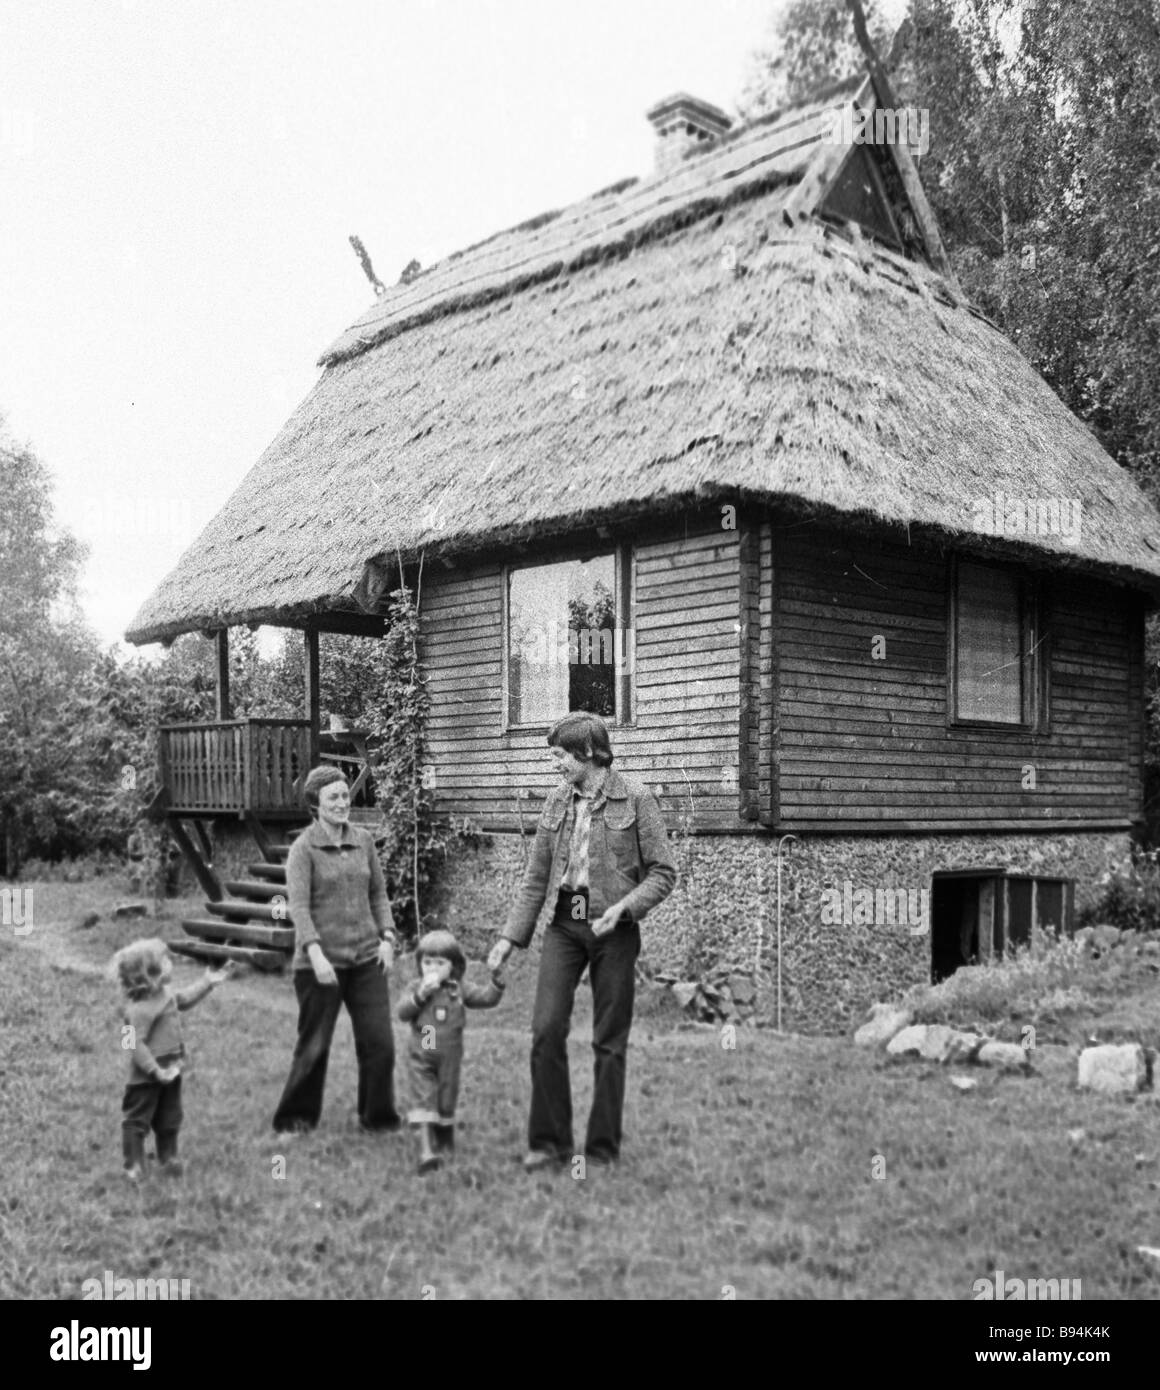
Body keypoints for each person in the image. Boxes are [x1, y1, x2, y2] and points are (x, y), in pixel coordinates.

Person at [487, 712, 676, 1170]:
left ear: (587, 754)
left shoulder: (636, 798)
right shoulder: (556, 801)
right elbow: (536, 879)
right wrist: (510, 939)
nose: (555, 765)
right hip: (565, 926)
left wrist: (625, 907)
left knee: (609, 1040)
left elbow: (663, 873)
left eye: (559, 756)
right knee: (546, 1029)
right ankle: (549, 1143)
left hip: (615, 931)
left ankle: (602, 1148)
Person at [272, 766, 401, 1134]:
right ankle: (294, 1120)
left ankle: (378, 1118)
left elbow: (378, 893)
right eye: (334, 797)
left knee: (380, 1043)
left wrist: (388, 939)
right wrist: (314, 953)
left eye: (346, 795)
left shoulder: (364, 840)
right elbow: (297, 906)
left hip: (366, 959)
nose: (343, 803)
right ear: (315, 803)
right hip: (319, 964)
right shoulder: (303, 849)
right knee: (314, 1046)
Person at [109, 937, 232, 1181]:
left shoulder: (165, 994)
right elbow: (133, 1044)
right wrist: (155, 1071)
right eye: (165, 960)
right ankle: (133, 1165)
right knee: (137, 1120)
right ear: (149, 974)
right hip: (145, 1078)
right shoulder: (138, 1010)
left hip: (171, 1071)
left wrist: (208, 982)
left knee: (170, 1118)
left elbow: (184, 999)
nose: (171, 962)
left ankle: (168, 1158)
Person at [396, 928, 504, 1174]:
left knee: (447, 1094)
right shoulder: (417, 986)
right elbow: (403, 1012)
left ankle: (444, 1137)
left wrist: (496, 980)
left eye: (440, 962)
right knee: (424, 1093)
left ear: (453, 965)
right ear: (419, 963)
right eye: (427, 962)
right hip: (426, 1043)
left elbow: (486, 998)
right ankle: (426, 1150)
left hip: (451, 1052)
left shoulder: (459, 988)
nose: (432, 968)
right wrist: (421, 994)